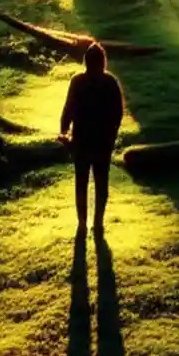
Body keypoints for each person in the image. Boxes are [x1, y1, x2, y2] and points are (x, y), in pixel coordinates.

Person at [59, 43, 124, 234]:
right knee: (101, 182)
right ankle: (98, 222)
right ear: (103, 62)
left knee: (82, 182)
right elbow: (118, 113)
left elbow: (68, 108)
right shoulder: (110, 81)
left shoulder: (78, 81)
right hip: (102, 141)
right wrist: (112, 135)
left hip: (82, 139)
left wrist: (64, 130)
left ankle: (82, 222)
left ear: (86, 61)